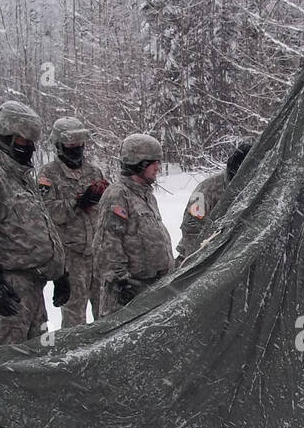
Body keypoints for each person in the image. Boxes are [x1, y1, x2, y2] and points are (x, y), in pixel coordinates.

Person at [0, 101, 68, 349]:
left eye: (31, 142)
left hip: (34, 287)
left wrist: (60, 272)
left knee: (40, 364)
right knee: (6, 367)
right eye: (22, 141)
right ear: (5, 138)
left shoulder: (24, 179)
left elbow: (41, 228)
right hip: (8, 290)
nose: (29, 148)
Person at [37, 117, 108, 328]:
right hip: (71, 256)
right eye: (70, 143)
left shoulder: (94, 171)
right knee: (74, 318)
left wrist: (102, 196)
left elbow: (105, 207)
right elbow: (47, 211)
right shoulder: (48, 174)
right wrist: (77, 203)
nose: (76, 148)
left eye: (80, 142)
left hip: (97, 252)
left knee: (105, 312)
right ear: (59, 145)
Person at [96, 133, 175, 316]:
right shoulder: (118, 195)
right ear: (138, 163)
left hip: (150, 290)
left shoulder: (146, 196)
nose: (158, 167)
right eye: (153, 162)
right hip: (128, 294)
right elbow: (108, 242)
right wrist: (121, 282)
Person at [176, 140, 253, 263]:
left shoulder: (253, 187)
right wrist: (199, 262)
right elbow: (191, 228)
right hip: (199, 256)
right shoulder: (207, 189)